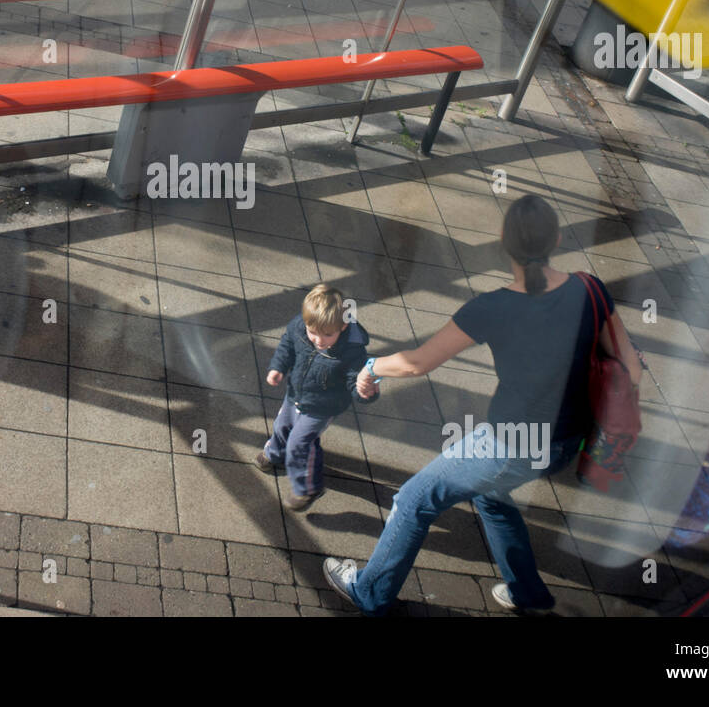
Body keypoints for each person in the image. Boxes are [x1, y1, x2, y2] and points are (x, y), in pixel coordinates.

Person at [324, 194, 642, 615]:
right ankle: (529, 596)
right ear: (558, 239)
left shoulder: (492, 307)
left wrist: (372, 366)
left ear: (503, 242)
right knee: (491, 498)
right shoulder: (590, 289)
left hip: (509, 444)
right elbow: (633, 370)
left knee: (414, 500)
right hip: (568, 441)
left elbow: (419, 362)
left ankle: (370, 593)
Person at [257, 283, 376, 512]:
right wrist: (278, 367)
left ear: (342, 327)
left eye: (327, 335)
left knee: (301, 443)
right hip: (296, 394)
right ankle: (274, 454)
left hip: (322, 407)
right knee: (282, 425)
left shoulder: (352, 352)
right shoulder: (300, 327)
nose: (319, 340)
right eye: (313, 333)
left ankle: (308, 488)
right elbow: (287, 345)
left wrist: (364, 392)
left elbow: (356, 381)